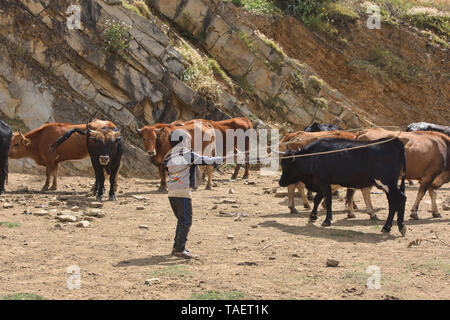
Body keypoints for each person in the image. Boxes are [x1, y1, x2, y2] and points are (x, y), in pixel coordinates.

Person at [163, 131, 233, 259]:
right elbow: (207, 160)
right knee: (186, 221)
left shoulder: (169, 156)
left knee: (182, 220)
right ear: (184, 141)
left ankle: (176, 247)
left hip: (172, 192)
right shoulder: (187, 154)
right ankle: (179, 250)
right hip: (183, 192)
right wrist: (223, 158)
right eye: (188, 140)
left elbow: (168, 168)